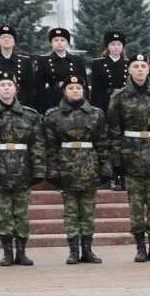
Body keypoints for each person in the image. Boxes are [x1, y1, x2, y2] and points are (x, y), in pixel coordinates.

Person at [0, 73, 45, 267]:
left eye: (9, 85)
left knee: (21, 213)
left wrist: (38, 169)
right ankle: (7, 252)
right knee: (4, 213)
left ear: (16, 88)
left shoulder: (30, 115)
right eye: (2, 85)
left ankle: (21, 252)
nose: (6, 88)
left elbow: (37, 144)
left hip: (23, 169)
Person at [107, 52, 150, 263]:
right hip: (131, 154)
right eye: (135, 66)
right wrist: (117, 159)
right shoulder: (119, 97)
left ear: (148, 69)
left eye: (143, 66)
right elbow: (114, 129)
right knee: (135, 205)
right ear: (129, 69)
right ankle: (140, 247)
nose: (139, 70)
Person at [42, 75, 109, 264]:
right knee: (71, 211)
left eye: (78, 87)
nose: (75, 91)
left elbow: (103, 142)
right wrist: (53, 171)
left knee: (88, 210)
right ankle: (73, 250)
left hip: (90, 166)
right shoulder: (53, 115)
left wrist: (105, 167)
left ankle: (87, 249)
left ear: (84, 91)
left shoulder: (96, 114)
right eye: (71, 88)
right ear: (64, 92)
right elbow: (50, 145)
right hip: (66, 167)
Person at [89, 30, 128, 189]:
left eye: (119, 44)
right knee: (105, 141)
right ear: (107, 46)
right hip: (104, 104)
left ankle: (120, 174)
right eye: (113, 44)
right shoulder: (98, 63)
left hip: (123, 105)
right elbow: (96, 89)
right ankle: (106, 175)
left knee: (120, 141)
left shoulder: (127, 64)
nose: (116, 47)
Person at [35, 27, 88, 113]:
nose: (59, 43)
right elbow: (39, 86)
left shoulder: (76, 60)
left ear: (67, 43)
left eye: (62, 40)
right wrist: (40, 108)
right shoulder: (43, 61)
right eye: (56, 40)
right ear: (51, 43)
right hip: (51, 99)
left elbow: (84, 84)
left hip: (73, 99)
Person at [0, 25, 36, 108]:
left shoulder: (25, 61)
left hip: (22, 105)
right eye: (3, 37)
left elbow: (30, 88)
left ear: (14, 41)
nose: (6, 39)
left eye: (10, 37)